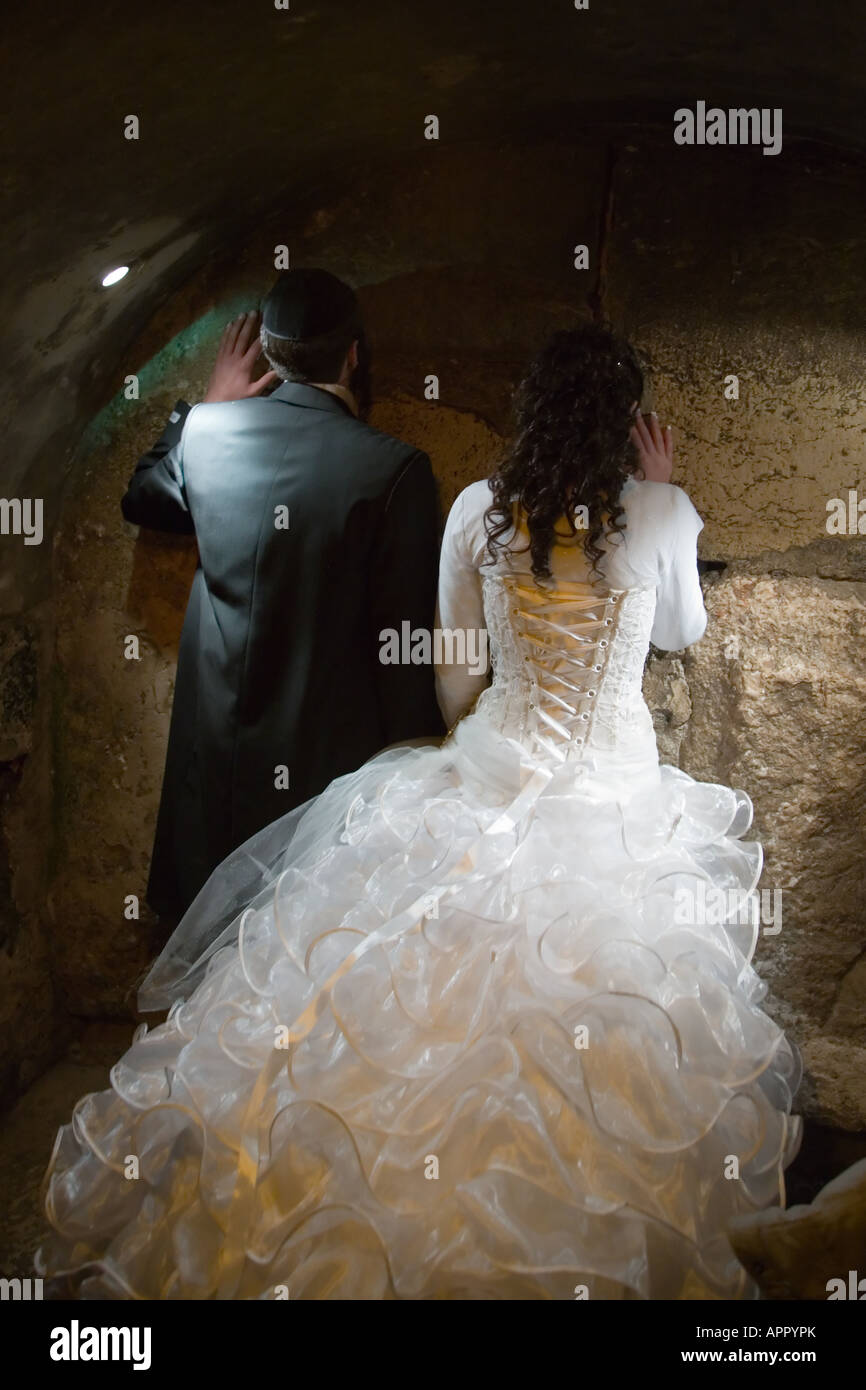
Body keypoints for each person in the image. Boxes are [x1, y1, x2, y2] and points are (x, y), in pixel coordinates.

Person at [39, 324, 800, 1300]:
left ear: (531, 410)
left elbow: (454, 673)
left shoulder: (481, 509)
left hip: (491, 764)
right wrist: (663, 485)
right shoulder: (655, 509)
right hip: (612, 792)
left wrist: (473, 748)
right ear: (622, 420)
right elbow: (680, 631)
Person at [121, 269, 443, 923]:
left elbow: (143, 497)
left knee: (212, 958)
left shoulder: (207, 435)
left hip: (214, 764)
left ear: (269, 353)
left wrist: (204, 403)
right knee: (306, 961)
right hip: (326, 777)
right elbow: (402, 648)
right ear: (354, 355)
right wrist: (419, 773)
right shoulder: (395, 469)